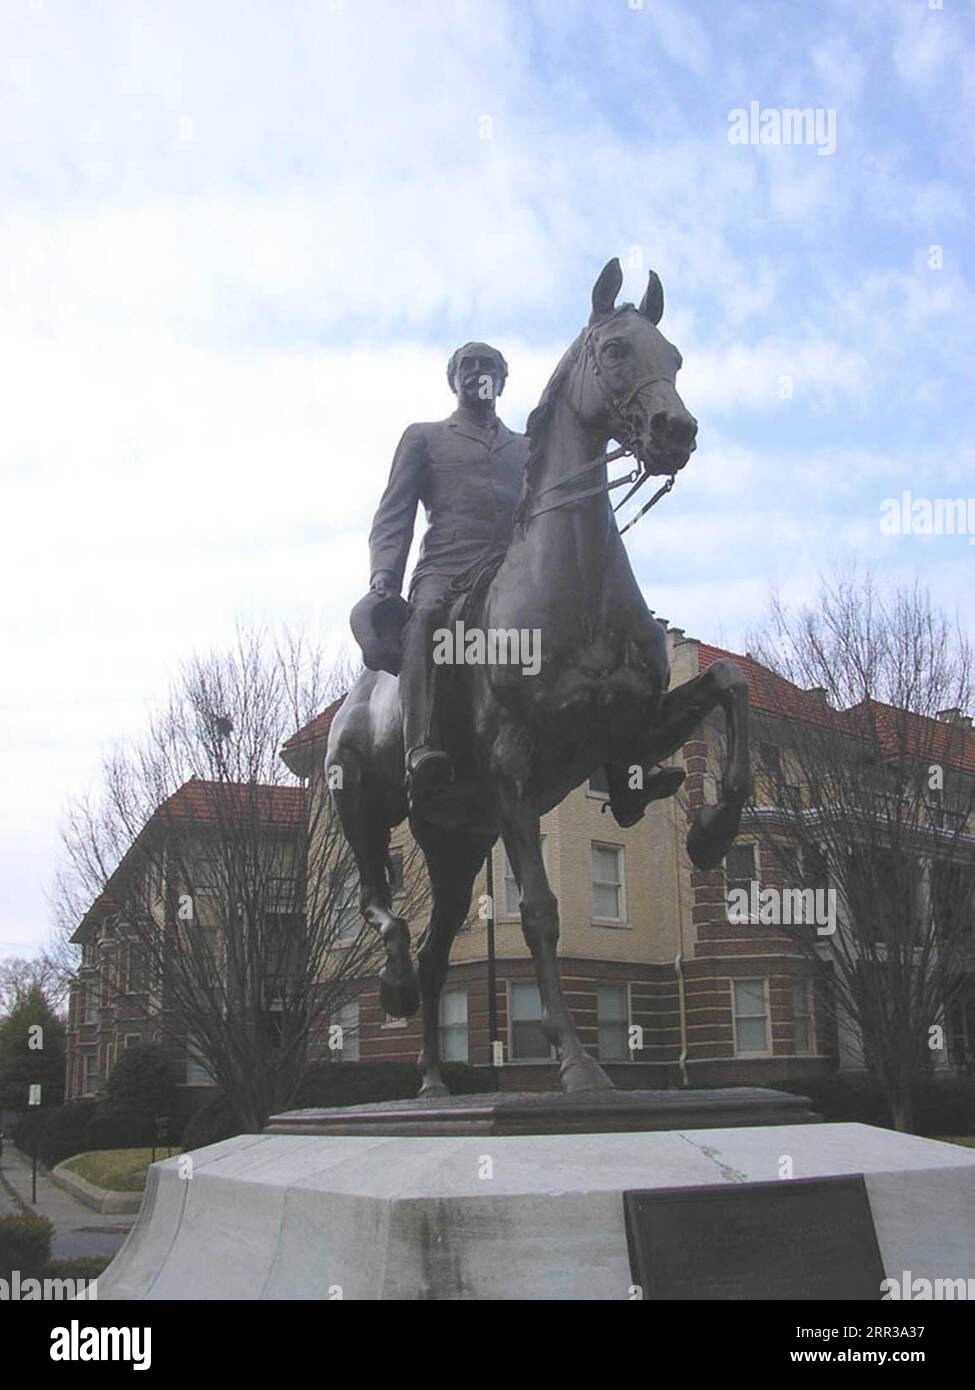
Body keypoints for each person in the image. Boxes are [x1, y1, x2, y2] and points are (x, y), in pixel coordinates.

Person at [367, 342, 529, 806]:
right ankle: (419, 746)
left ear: (501, 379)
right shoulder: (424, 437)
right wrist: (384, 577)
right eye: (468, 366)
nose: (478, 372)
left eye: (488, 366)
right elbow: (393, 514)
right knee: (427, 621)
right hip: (447, 570)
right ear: (454, 379)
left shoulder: (527, 448)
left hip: (513, 575)